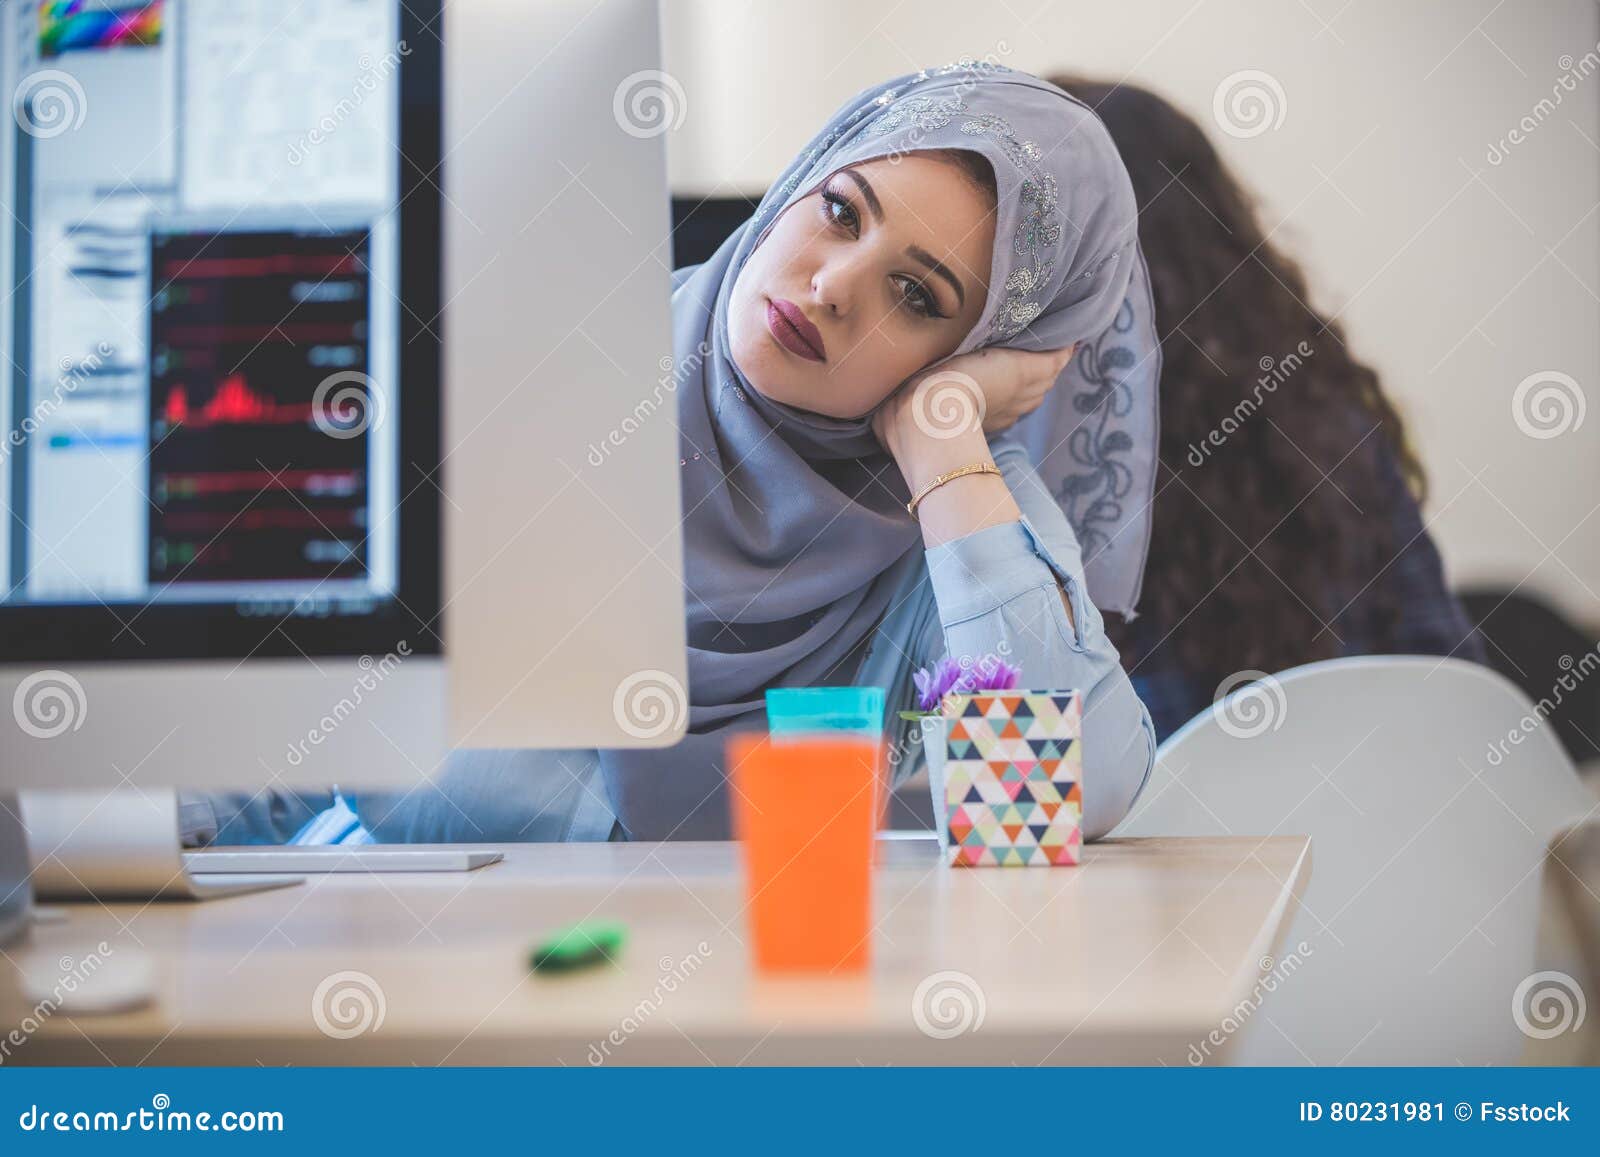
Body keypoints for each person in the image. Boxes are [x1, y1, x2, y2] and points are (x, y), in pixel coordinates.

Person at [184, 62, 1163, 846]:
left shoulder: (963, 524)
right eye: (840, 210)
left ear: (976, 353)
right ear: (795, 183)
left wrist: (948, 445)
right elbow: (262, 740)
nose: (831, 286)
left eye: (919, 298)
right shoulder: (534, 392)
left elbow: (1047, 798)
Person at [1051, 76, 1486, 741]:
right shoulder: (1326, 421)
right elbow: (1455, 693)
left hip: (1121, 837)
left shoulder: (1029, 447)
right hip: (1360, 831)